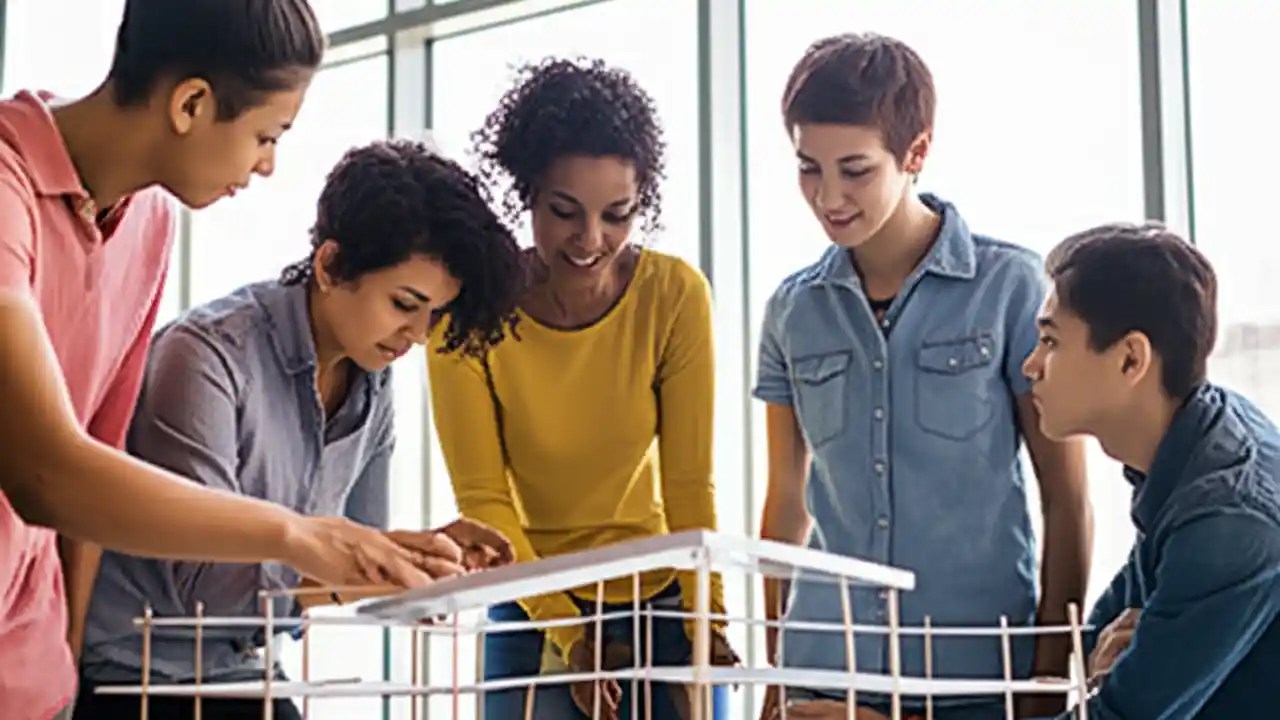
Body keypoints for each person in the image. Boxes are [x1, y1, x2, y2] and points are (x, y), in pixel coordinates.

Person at [0, 3, 432, 718]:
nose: (268, 164)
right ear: (191, 103)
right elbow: (48, 472)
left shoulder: (149, 219)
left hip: (29, 667)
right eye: (266, 135)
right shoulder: (8, 190)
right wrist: (294, 534)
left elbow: (95, 467)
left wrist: (62, 672)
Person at [71, 139, 524, 719]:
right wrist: (369, 565)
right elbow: (210, 592)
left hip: (243, 670)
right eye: (404, 303)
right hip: (137, 674)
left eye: (435, 315)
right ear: (330, 265)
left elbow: (349, 550)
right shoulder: (207, 357)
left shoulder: (373, 380)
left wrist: (424, 557)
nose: (418, 334)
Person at [754, 33, 1091, 720]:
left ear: (915, 154)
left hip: (976, 673)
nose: (829, 196)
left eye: (855, 170)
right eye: (808, 169)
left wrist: (1047, 678)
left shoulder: (1012, 289)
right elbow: (785, 505)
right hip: (826, 673)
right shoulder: (791, 311)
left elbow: (1067, 499)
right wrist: (775, 674)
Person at [428, 57, 737, 719]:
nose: (589, 240)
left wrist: (705, 619)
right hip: (530, 593)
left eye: (617, 214)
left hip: (659, 589)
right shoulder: (468, 315)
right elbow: (484, 502)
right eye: (564, 211)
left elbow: (689, 485)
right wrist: (569, 635)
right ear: (528, 192)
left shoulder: (675, 296)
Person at [1022, 223, 1280, 719]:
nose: (1031, 365)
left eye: (1051, 342)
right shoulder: (1195, 436)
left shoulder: (1226, 518)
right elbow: (1099, 636)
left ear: (1130, 359)